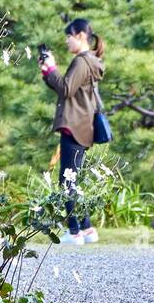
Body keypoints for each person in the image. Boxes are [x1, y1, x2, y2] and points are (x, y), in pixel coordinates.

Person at [39, 18, 105, 245]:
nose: (66, 41)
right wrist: (48, 74)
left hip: (74, 126)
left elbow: (66, 89)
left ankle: (75, 231)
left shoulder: (81, 62)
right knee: (72, 179)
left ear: (80, 36)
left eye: (69, 37)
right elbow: (67, 88)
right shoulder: (90, 61)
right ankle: (86, 229)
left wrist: (53, 68)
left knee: (67, 181)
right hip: (82, 126)